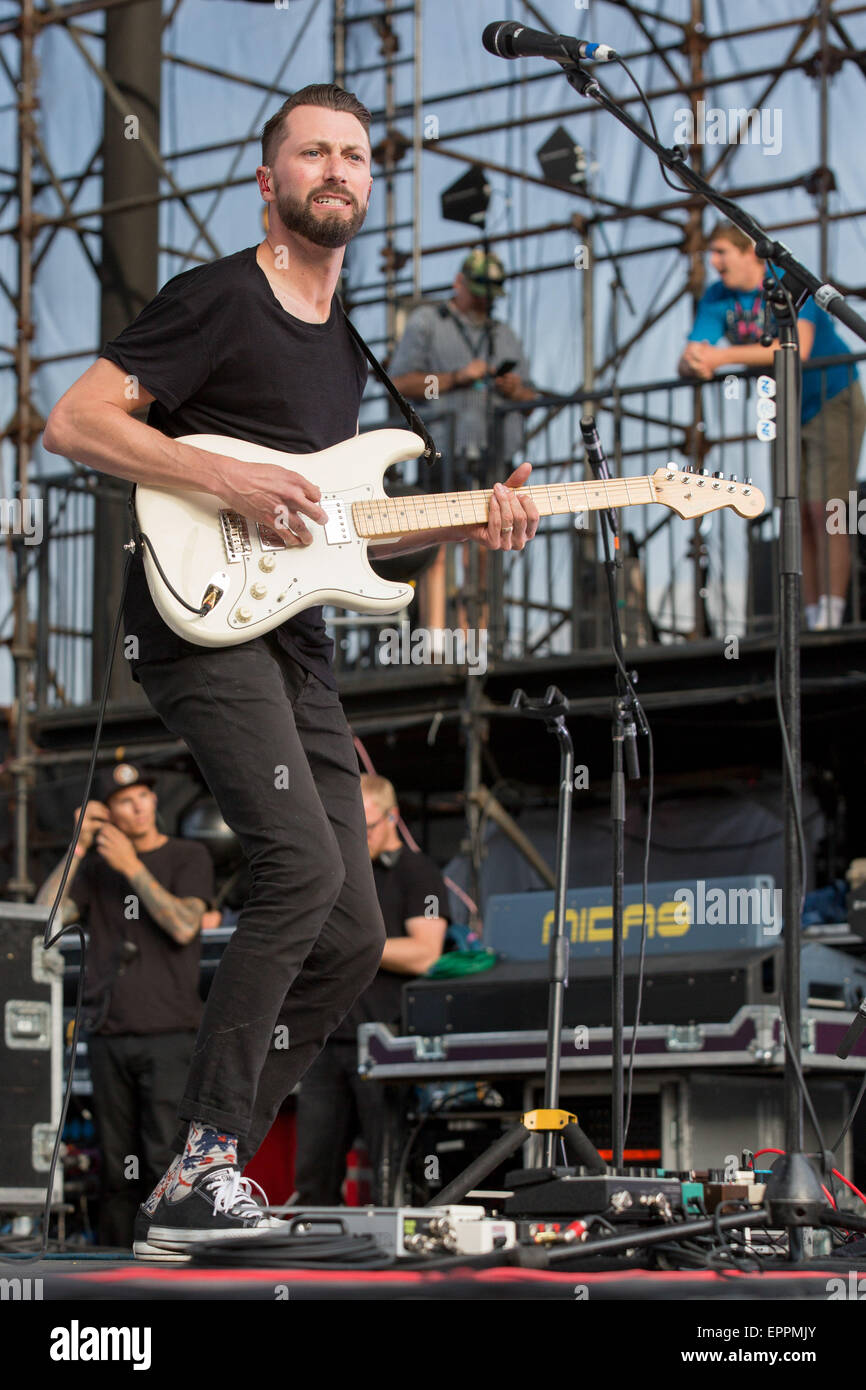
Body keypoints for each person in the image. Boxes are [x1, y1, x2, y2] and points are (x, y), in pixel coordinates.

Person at [41, 83, 539, 1257]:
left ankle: (197, 1170)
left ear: (367, 185)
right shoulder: (217, 297)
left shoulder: (350, 347)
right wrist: (231, 480)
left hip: (294, 642)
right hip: (195, 623)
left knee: (357, 929)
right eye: (311, 151)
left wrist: (467, 526)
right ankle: (207, 1160)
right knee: (300, 863)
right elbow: (74, 421)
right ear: (269, 180)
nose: (336, 169)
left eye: (355, 156)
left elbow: (339, 532)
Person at [35, 762, 214, 1247]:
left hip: (170, 1035)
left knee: (164, 1157)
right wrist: (77, 847)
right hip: (110, 1033)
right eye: (123, 801)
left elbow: (183, 926)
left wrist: (132, 866)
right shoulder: (95, 870)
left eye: (143, 796)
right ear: (107, 813)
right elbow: (46, 924)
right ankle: (113, 1263)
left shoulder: (187, 855)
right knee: (114, 1164)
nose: (137, 806)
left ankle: (171, 1250)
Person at [679, 220, 866, 630]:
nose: (713, 262)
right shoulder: (717, 296)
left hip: (832, 398)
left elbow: (797, 348)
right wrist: (694, 360)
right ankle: (811, 615)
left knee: (826, 509)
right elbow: (694, 352)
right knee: (794, 510)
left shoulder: (789, 279)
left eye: (721, 252)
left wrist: (718, 359)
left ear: (750, 252)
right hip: (787, 409)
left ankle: (830, 618)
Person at [293, 774, 449, 1205]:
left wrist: (352, 946)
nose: (356, 839)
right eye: (346, 829)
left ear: (393, 818)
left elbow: (425, 952)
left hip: (389, 1039)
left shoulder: (416, 872)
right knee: (313, 1174)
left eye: (366, 828)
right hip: (327, 1039)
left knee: (391, 1172)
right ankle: (312, 1260)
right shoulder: (336, 873)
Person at [389, 249, 537, 630]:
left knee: (491, 541)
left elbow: (530, 400)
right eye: (478, 292)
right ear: (459, 284)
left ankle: (480, 635)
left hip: (491, 452)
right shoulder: (428, 322)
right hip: (440, 451)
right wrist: (455, 379)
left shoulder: (503, 335)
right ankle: (437, 636)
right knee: (434, 539)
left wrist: (513, 389)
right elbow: (401, 383)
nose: (485, 301)